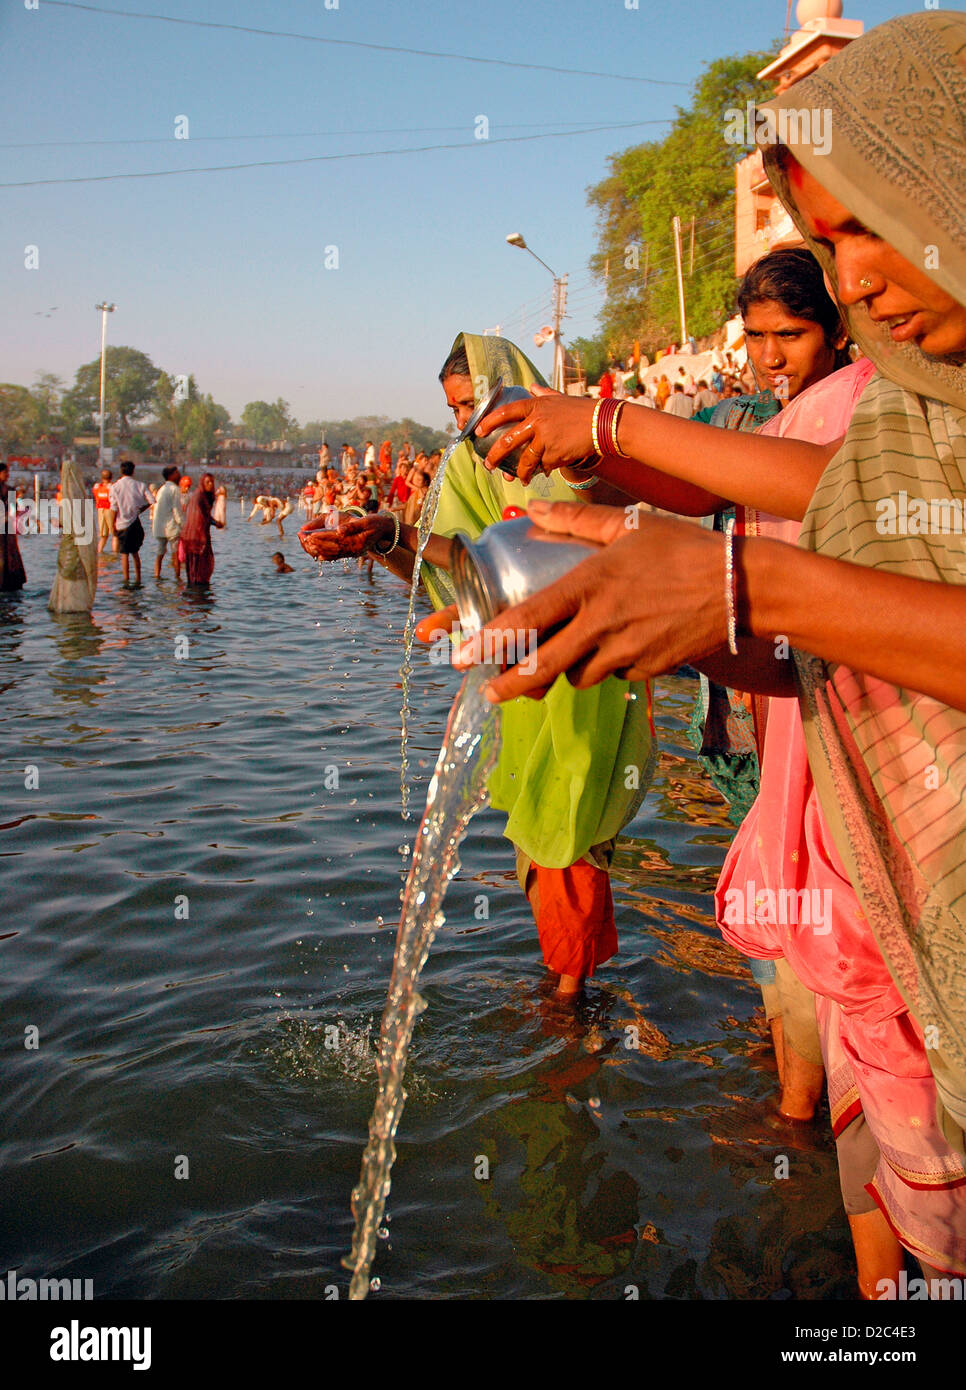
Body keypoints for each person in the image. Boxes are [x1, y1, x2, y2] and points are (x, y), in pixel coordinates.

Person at [459, 10, 966, 1294]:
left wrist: (730, 572)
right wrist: (658, 608)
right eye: (830, 239)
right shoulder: (910, 418)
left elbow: (816, 567)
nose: (854, 277)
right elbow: (835, 587)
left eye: (871, 223)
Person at [299, 332, 653, 1002]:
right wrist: (386, 538)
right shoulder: (467, 470)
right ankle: (571, 996)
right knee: (541, 841)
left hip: (590, 671)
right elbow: (457, 580)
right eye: (454, 411)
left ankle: (568, 1007)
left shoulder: (576, 460)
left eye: (470, 404)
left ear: (509, 387)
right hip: (520, 684)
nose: (464, 423)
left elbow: (615, 560)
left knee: (569, 832)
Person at [109, 460, 154, 585]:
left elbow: (113, 508)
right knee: (135, 553)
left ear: (121, 471)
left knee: (124, 554)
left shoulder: (115, 487)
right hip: (135, 523)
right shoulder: (140, 485)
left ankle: (126, 579)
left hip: (121, 524)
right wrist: (140, 510)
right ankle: (138, 578)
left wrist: (111, 525)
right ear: (133, 471)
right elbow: (151, 500)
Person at [179, 473, 224, 586]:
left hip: (202, 535)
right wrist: (215, 523)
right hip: (195, 537)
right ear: (202, 483)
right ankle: (195, 591)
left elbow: (206, 515)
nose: (210, 484)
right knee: (195, 567)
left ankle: (199, 589)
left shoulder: (205, 496)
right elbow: (200, 516)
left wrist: (215, 522)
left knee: (202, 567)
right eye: (207, 482)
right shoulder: (198, 496)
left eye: (212, 482)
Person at [152, 464, 183, 581]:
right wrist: (184, 526)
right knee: (175, 554)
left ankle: (156, 576)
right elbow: (177, 512)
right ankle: (178, 578)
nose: (179, 475)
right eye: (177, 473)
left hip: (159, 527)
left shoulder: (162, 489)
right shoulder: (174, 489)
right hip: (171, 527)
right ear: (171, 475)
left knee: (160, 554)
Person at [0, 463, 26, 591]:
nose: (8, 475)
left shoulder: (9, 490)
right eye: (6, 472)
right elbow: (13, 510)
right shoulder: (9, 490)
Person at [92, 466, 118, 555]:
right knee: (115, 534)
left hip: (100, 511)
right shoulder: (112, 487)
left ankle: (99, 553)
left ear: (102, 478)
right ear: (111, 478)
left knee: (103, 535)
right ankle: (115, 554)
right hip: (110, 510)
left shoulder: (96, 487)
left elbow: (96, 496)